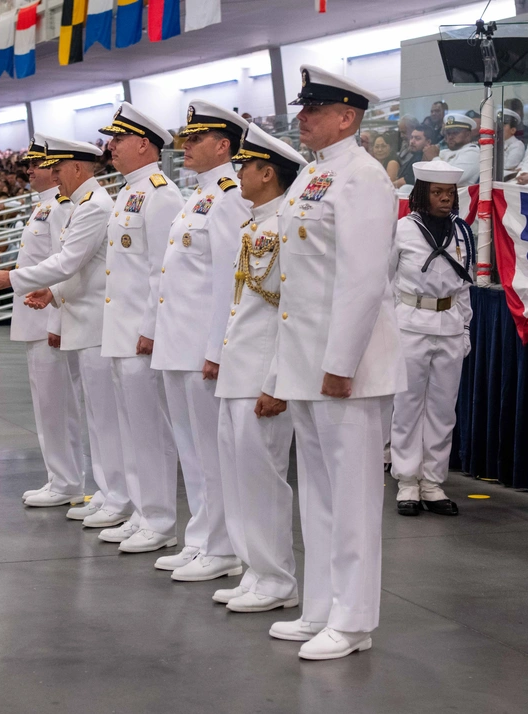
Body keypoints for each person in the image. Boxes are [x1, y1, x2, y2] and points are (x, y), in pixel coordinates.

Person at [260, 65, 406, 660]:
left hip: (345, 364)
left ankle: (353, 620)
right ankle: (321, 604)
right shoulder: (313, 177)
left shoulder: (364, 178)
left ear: (346, 116)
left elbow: (364, 279)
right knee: (316, 492)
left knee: (350, 497)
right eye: (303, 110)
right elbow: (296, 282)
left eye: (313, 110)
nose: (302, 119)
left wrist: (341, 361)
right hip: (305, 359)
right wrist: (283, 366)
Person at [0, 138, 132, 530]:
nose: (47, 171)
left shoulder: (85, 206)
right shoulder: (68, 205)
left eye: (55, 166)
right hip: (71, 313)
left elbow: (66, 262)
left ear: (77, 168)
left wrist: (11, 280)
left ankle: (102, 490)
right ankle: (101, 490)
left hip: (87, 319)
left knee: (93, 414)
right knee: (90, 414)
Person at [149, 100, 251, 581]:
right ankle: (201, 538)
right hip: (178, 344)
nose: (184, 146)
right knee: (191, 451)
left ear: (223, 145)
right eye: (186, 138)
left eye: (195, 139)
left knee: (213, 454)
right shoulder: (199, 195)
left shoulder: (230, 196)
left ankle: (224, 546)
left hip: (201, 350)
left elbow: (231, 280)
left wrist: (216, 349)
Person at [214, 123, 306, 613]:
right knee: (239, 476)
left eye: (245, 166)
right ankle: (254, 569)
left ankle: (277, 579)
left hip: (261, 377)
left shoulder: (285, 226)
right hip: (238, 370)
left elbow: (290, 312)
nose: (239, 175)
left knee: (265, 479)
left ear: (267, 173)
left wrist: (276, 381)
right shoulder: (256, 225)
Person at [95, 103, 184, 553]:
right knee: (131, 426)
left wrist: (151, 328)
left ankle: (161, 518)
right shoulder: (130, 191)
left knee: (151, 429)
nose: (110, 146)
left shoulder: (160, 193)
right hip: (121, 332)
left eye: (119, 139)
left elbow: (161, 271)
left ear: (144, 144)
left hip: (140, 335)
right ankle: (142, 510)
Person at [2, 136, 86, 509]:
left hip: (48, 318)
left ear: (56, 171)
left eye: (38, 164)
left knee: (58, 405)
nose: (32, 170)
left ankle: (67, 480)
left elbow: (61, 266)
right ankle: (59, 476)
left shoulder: (60, 209)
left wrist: (56, 321)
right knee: (46, 404)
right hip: (34, 317)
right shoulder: (44, 207)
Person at [389, 161, 474, 518]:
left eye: (450, 193)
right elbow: (385, 282)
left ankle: (433, 483)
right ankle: (407, 481)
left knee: (442, 410)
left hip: (450, 325)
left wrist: (466, 328)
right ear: (422, 195)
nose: (444, 199)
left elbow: (465, 285)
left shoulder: (462, 232)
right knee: (407, 407)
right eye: (437, 193)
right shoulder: (402, 230)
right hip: (409, 324)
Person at [435, 113, 480, 186]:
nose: (450, 137)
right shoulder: (443, 152)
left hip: (460, 196)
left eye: (455, 133)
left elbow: (449, 179)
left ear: (467, 135)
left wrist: (434, 158)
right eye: (448, 133)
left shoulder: (472, 152)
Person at [501, 108, 525, 172]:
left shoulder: (517, 145)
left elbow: (508, 167)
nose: (499, 128)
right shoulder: (496, 144)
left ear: (513, 130)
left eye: (503, 126)